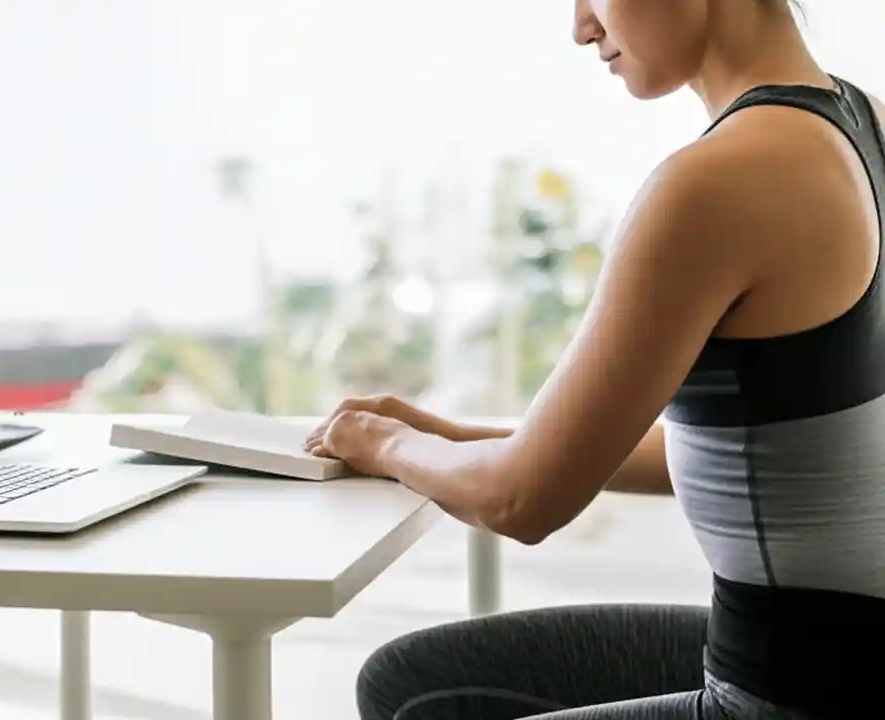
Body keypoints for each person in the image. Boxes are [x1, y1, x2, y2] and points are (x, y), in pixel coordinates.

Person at [305, 1, 884, 718]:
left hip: (785, 695)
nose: (582, 26)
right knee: (413, 684)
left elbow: (522, 501)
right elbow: (774, 454)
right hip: (838, 664)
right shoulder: (863, 121)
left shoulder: (718, 183)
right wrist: (455, 441)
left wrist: (387, 443)